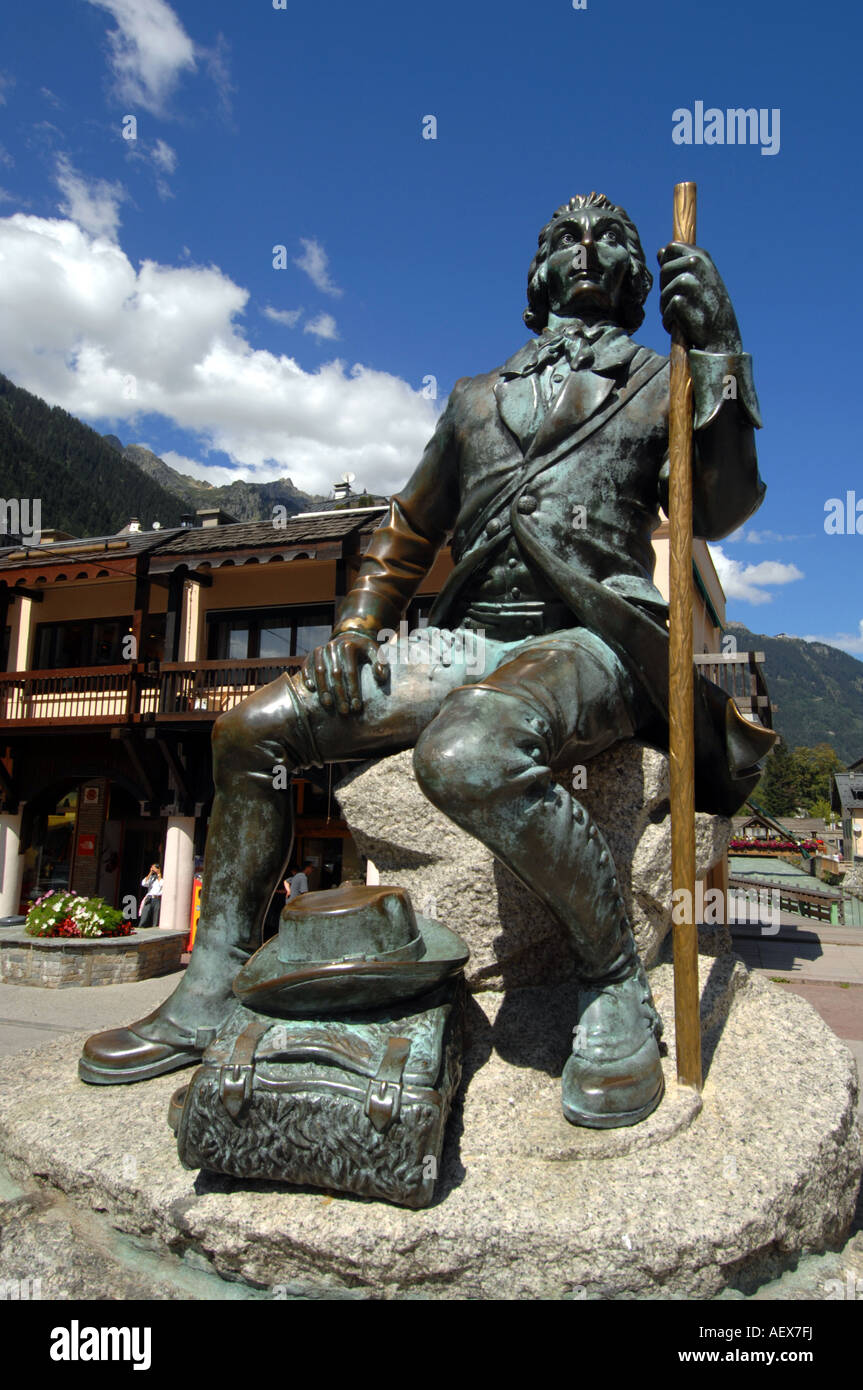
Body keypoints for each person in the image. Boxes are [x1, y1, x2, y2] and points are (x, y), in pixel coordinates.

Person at [81, 192, 774, 1124]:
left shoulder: (662, 379)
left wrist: (722, 347)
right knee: (251, 730)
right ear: (536, 273)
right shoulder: (472, 400)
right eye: (563, 237)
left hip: (588, 637)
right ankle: (212, 984)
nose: (584, 249)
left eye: (608, 237)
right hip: (464, 636)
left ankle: (611, 979)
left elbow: (720, 506)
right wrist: (358, 631)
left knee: (466, 754)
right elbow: (408, 527)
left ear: (636, 276)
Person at [137, 864, 163, 930]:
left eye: (154, 868)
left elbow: (162, 885)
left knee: (156, 916)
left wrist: (159, 873)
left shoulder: (161, 879)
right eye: (152, 867)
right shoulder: (151, 878)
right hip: (149, 898)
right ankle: (141, 927)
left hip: (157, 899)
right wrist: (150, 873)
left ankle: (154, 929)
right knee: (145, 914)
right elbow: (143, 883)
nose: (153, 869)